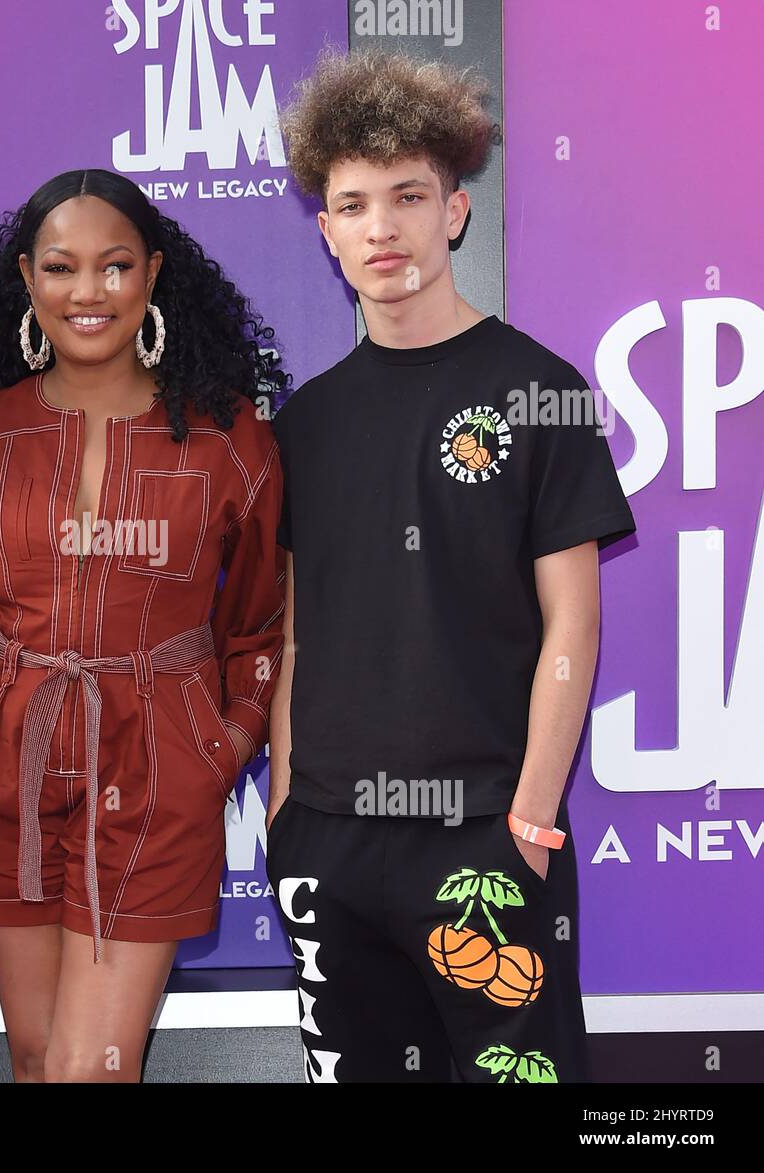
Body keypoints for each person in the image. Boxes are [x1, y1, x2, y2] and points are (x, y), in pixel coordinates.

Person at [266, 49, 636, 1084]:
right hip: (328, 849)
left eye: (406, 196)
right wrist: (292, 811)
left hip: (482, 844)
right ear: (328, 229)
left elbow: (575, 624)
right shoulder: (306, 423)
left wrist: (526, 814)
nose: (381, 227)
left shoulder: (539, 390)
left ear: (455, 213)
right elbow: (300, 628)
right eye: (352, 203)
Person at [0, 168, 289, 1082]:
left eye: (115, 266)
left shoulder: (227, 438)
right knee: (38, 1057)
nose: (88, 292)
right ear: (28, 280)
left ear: (154, 274)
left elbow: (263, 621)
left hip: (161, 771)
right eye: (62, 268)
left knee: (92, 1065)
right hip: (7, 769)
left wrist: (223, 744)